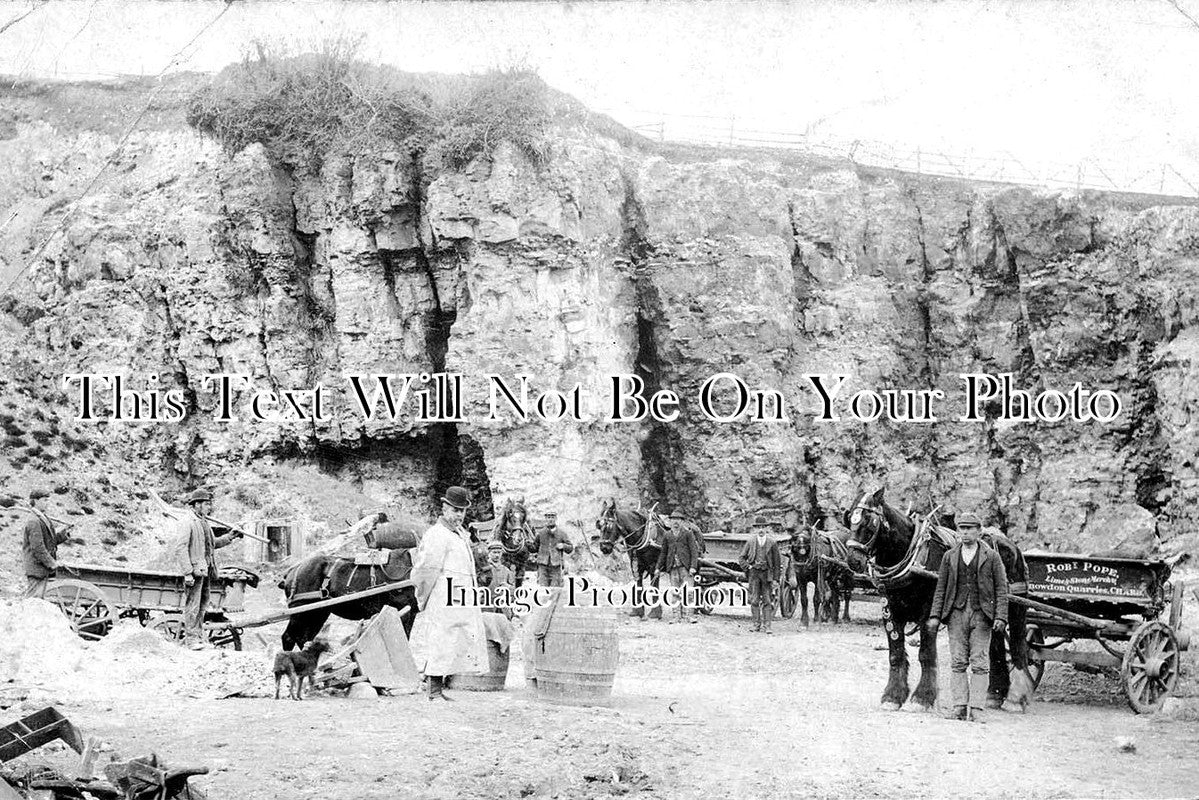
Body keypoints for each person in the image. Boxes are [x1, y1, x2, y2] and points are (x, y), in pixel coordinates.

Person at [927, 511, 1010, 721]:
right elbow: (941, 588)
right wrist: (936, 615)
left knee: (980, 662)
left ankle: (977, 709)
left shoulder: (991, 556)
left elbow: (1001, 588)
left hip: (982, 615)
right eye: (961, 528)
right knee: (957, 661)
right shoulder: (950, 556)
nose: (965, 533)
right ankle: (959, 706)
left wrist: (1001, 616)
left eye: (969, 528)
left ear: (979, 531)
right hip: (956, 614)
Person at [409, 486, 488, 701]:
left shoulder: (460, 534)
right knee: (440, 639)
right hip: (443, 596)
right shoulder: (436, 535)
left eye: (462, 511)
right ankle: (433, 690)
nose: (459, 515)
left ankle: (441, 686)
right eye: (455, 510)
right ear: (444, 508)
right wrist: (424, 597)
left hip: (460, 597)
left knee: (456, 640)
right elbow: (425, 569)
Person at [180, 489, 242, 648]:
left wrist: (230, 536)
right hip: (195, 571)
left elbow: (212, 544)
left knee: (202, 605)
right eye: (207, 504)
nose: (209, 507)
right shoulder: (188, 522)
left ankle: (199, 637)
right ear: (197, 505)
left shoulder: (203, 522)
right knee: (193, 605)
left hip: (205, 570)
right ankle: (192, 640)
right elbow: (181, 548)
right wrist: (187, 573)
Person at [22, 488, 69, 598]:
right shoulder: (33, 521)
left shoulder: (43, 518)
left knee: (36, 600)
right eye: (45, 500)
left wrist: (64, 535)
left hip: (42, 568)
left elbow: (49, 541)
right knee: (32, 600)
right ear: (36, 501)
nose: (47, 503)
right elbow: (38, 548)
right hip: (37, 569)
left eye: (48, 500)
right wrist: (52, 563)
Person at [738, 516, 781, 633]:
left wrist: (776, 579)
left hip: (767, 574)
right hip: (754, 574)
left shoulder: (772, 543)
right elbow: (741, 558)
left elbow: (777, 563)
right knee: (754, 600)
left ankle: (767, 626)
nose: (761, 530)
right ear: (755, 529)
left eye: (763, 527)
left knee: (767, 600)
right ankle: (756, 624)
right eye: (758, 528)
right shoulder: (751, 542)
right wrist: (748, 567)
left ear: (767, 528)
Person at [656, 512, 699, 623]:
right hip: (673, 568)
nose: (675, 522)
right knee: (675, 592)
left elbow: (694, 552)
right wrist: (658, 567)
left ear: (682, 521)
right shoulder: (667, 535)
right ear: (670, 521)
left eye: (678, 519)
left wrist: (693, 567)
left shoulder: (688, 533)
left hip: (685, 568)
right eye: (673, 519)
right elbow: (663, 553)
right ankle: (676, 616)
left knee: (688, 592)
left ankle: (689, 616)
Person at [531, 510, 573, 587]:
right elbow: (534, 548)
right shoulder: (541, 533)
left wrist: (563, 546)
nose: (550, 519)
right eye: (548, 517)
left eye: (552, 517)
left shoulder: (562, 533)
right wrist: (527, 544)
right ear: (545, 519)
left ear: (556, 518)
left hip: (556, 566)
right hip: (542, 566)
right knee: (542, 589)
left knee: (555, 590)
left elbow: (570, 548)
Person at [484, 540, 516, 620]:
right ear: (489, 553)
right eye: (494, 552)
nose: (497, 555)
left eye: (499, 552)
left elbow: (514, 591)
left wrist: (508, 587)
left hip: (503, 608)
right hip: (488, 607)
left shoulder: (506, 570)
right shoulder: (484, 570)